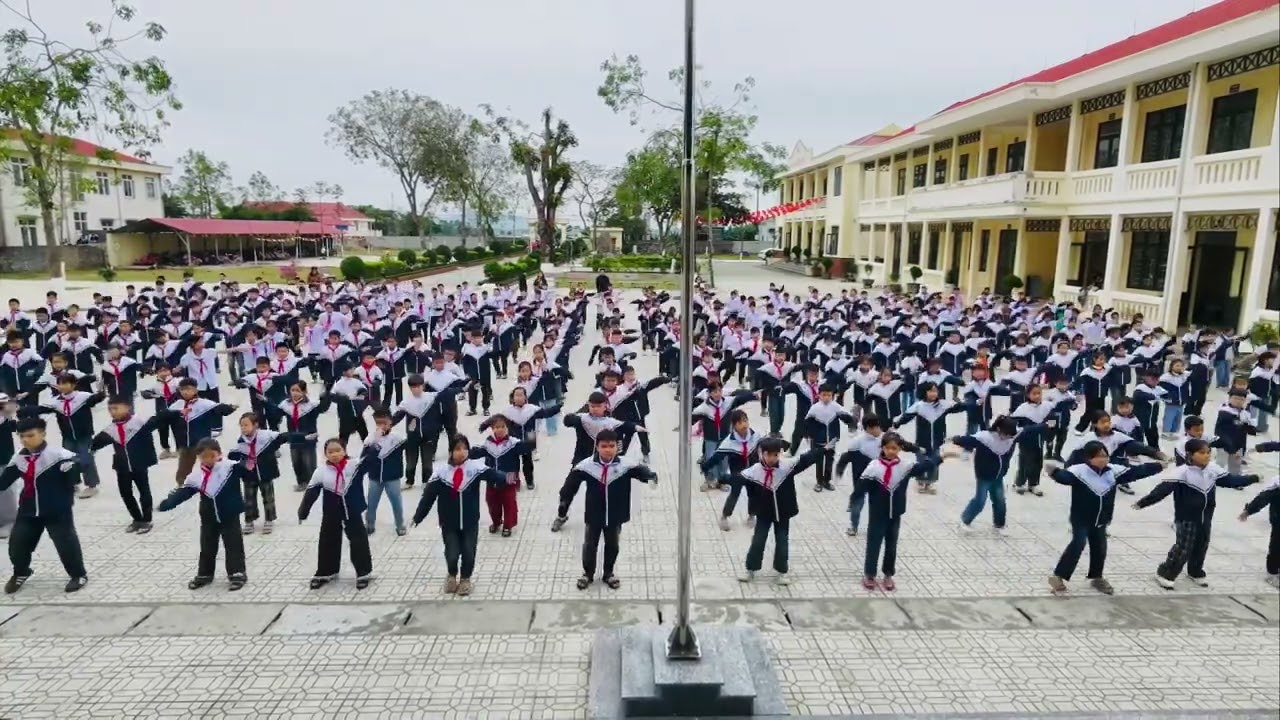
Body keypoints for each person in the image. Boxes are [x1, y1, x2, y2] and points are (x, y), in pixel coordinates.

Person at [1133, 438, 1259, 589]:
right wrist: (1143, 502)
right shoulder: (1182, 472)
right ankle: (1165, 572)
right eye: (1202, 453)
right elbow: (1162, 490)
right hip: (1186, 517)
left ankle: (1195, 571)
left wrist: (1253, 478)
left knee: (1202, 544)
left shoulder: (1213, 469)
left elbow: (1230, 480)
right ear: (1190, 455)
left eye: (1208, 452)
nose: (1206, 455)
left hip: (1206, 515)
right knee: (1183, 547)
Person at [1045, 442, 1163, 594]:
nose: (1103, 459)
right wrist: (1054, 471)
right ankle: (1058, 576)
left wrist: (1158, 466)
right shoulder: (1079, 471)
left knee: (1100, 547)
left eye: (1105, 455)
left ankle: (1096, 577)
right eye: (1099, 456)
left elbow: (1136, 472)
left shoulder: (1113, 471)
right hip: (1081, 518)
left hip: (1102, 518)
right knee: (1078, 543)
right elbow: (1064, 477)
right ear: (1089, 458)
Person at [559, 430, 657, 590]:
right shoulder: (586, 466)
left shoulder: (626, 465)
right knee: (590, 545)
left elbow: (642, 472)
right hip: (593, 514)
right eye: (604, 446)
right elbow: (571, 484)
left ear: (617, 447)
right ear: (597, 447)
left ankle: (609, 573)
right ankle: (588, 574)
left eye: (611, 446)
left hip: (616, 514)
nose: (607, 450)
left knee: (613, 545)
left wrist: (651, 476)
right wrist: (564, 499)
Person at [1, 417, 87, 593]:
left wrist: (73, 469)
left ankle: (78, 574)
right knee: (17, 544)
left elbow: (77, 475)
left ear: (43, 434)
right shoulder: (19, 458)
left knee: (65, 543)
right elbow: (3, 482)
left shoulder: (59, 456)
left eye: (30, 435)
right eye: (22, 436)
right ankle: (21, 572)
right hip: (29, 508)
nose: (25, 440)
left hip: (56, 509)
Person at [412, 435, 506, 596]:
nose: (462, 452)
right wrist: (417, 517)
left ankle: (465, 579)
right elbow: (428, 497)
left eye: (464, 448)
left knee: (469, 551)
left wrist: (505, 477)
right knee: (452, 553)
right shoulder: (441, 473)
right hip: (449, 523)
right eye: (457, 449)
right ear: (450, 452)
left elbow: (494, 476)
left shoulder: (475, 468)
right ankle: (451, 575)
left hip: (470, 522)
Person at [156, 438, 250, 591]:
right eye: (203, 457)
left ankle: (237, 573)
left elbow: (250, 474)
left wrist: (249, 463)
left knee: (233, 545)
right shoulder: (197, 476)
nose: (208, 460)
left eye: (211, 456)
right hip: (208, 517)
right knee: (207, 546)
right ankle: (205, 574)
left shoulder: (230, 468)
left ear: (219, 454)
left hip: (229, 515)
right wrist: (167, 504)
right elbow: (184, 492)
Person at [853, 432, 939, 591]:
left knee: (891, 545)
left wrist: (940, 457)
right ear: (883, 448)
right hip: (877, 513)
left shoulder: (905, 466)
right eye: (888, 448)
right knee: (874, 543)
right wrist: (854, 501)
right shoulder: (874, 467)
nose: (891, 451)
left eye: (895, 448)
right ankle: (869, 574)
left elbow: (924, 466)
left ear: (900, 448)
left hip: (896, 513)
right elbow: (861, 487)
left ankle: (888, 574)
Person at [732, 437, 821, 585]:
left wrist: (822, 450)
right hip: (763, 513)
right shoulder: (755, 470)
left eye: (775, 454)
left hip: (783, 513)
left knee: (782, 541)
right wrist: (722, 478)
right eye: (768, 454)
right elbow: (738, 479)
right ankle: (750, 569)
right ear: (761, 453)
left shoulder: (786, 467)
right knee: (758, 540)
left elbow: (805, 459)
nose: (772, 458)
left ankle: (781, 572)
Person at [299, 438, 375, 589]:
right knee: (328, 540)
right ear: (325, 454)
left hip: (352, 511)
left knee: (358, 541)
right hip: (331, 512)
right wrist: (303, 512)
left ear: (345, 451)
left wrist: (375, 439)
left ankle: (363, 573)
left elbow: (372, 458)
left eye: (338, 450)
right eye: (330, 452)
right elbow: (311, 493)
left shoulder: (354, 465)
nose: (334, 454)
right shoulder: (321, 471)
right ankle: (326, 572)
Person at [88, 394, 161, 532]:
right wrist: (89, 450)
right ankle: (136, 518)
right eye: (110, 409)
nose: (112, 412)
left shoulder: (138, 422)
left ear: (127, 407)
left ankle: (147, 519)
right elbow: (96, 443)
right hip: (122, 466)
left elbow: (155, 427)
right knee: (126, 493)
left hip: (139, 464)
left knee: (144, 490)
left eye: (116, 408)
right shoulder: (110, 429)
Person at [1239, 475, 1280, 588]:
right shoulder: (1276, 482)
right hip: (1278, 519)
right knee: (1277, 545)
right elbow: (1263, 497)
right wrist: (1249, 510)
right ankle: (1272, 573)